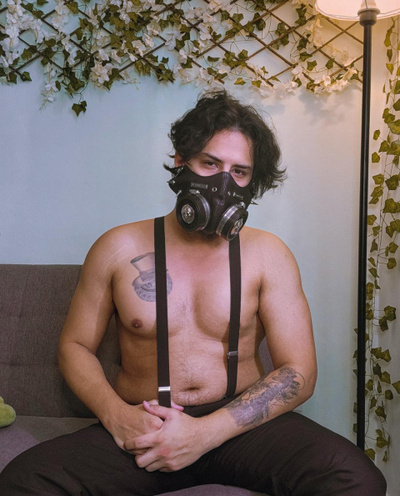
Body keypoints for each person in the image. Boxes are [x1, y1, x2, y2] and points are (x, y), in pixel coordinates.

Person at [0, 90, 386, 496]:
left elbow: (299, 372)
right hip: (145, 424)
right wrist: (117, 417)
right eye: (210, 163)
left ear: (252, 181)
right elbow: (74, 346)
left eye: (239, 171)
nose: (223, 182)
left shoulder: (269, 254)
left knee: (358, 480)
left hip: (239, 426)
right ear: (181, 160)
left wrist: (203, 434)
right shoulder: (117, 247)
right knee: (23, 481)